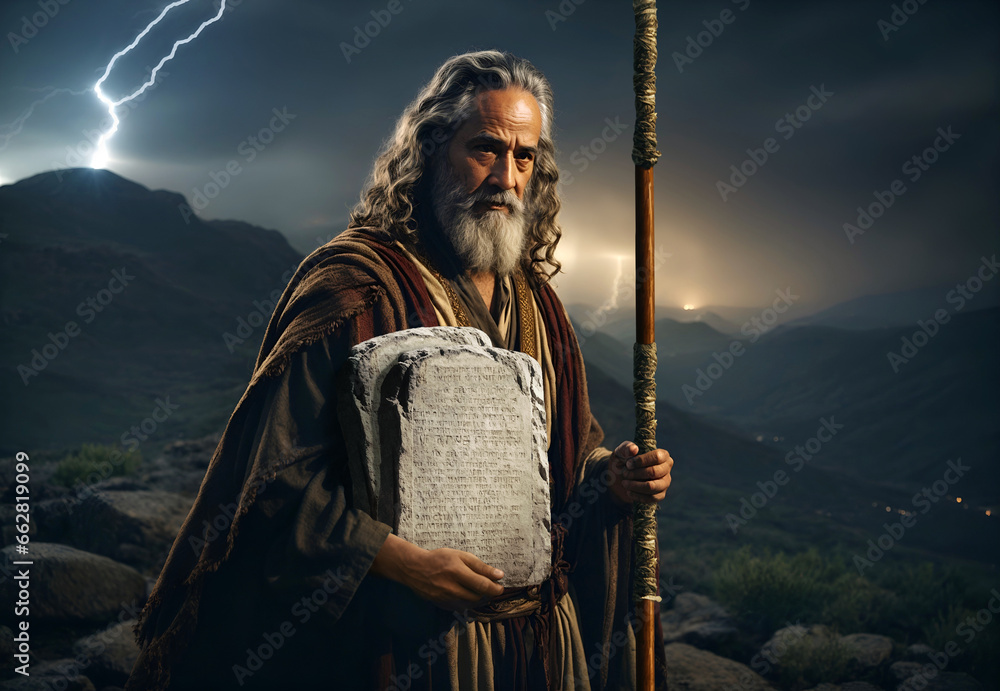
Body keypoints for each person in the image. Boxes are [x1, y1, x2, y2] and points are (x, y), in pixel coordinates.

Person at [127, 49, 673, 691]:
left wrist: (614, 479)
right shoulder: (354, 287)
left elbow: (564, 458)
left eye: (524, 157)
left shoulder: (537, 301)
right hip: (404, 649)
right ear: (431, 148)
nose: (506, 177)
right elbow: (272, 480)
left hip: (539, 650)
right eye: (485, 149)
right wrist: (397, 561)